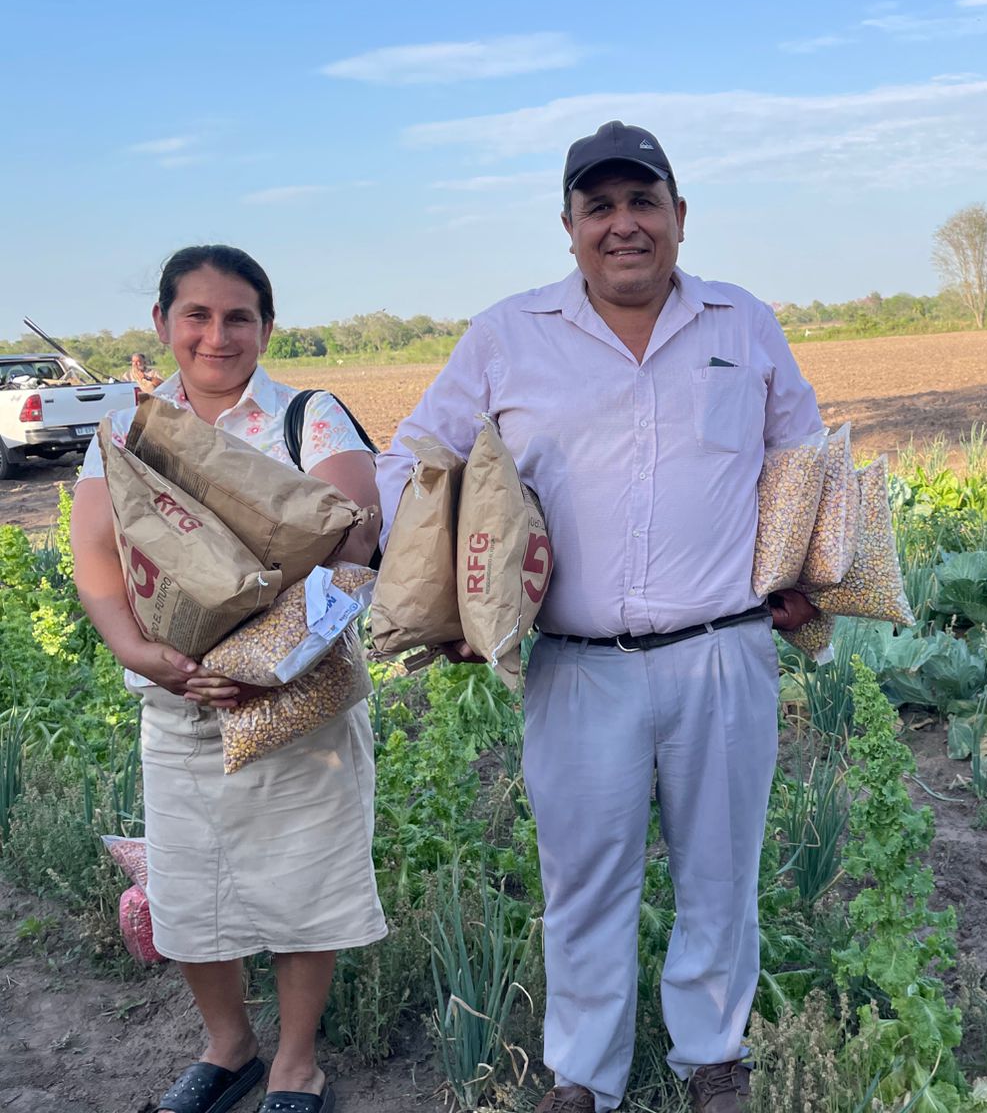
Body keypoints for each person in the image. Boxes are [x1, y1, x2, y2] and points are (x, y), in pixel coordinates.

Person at [377, 121, 821, 1113]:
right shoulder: (508, 335)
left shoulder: (742, 322)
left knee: (721, 876)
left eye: (642, 202)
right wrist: (450, 588)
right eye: (600, 206)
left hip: (723, 650)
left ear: (679, 216)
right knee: (582, 881)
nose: (624, 224)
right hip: (576, 664)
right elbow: (413, 464)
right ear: (570, 225)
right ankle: (583, 1078)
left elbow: (802, 455)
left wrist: (807, 573)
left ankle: (714, 1058)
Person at [71, 245, 385, 1113]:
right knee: (189, 885)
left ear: (266, 327)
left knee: (303, 882)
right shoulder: (125, 432)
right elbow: (97, 560)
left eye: (239, 316)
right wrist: (141, 654)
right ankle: (228, 1046)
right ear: (163, 323)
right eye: (197, 315)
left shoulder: (307, 419)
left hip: (297, 707)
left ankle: (295, 1064)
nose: (218, 335)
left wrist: (260, 665)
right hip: (175, 703)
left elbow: (353, 548)